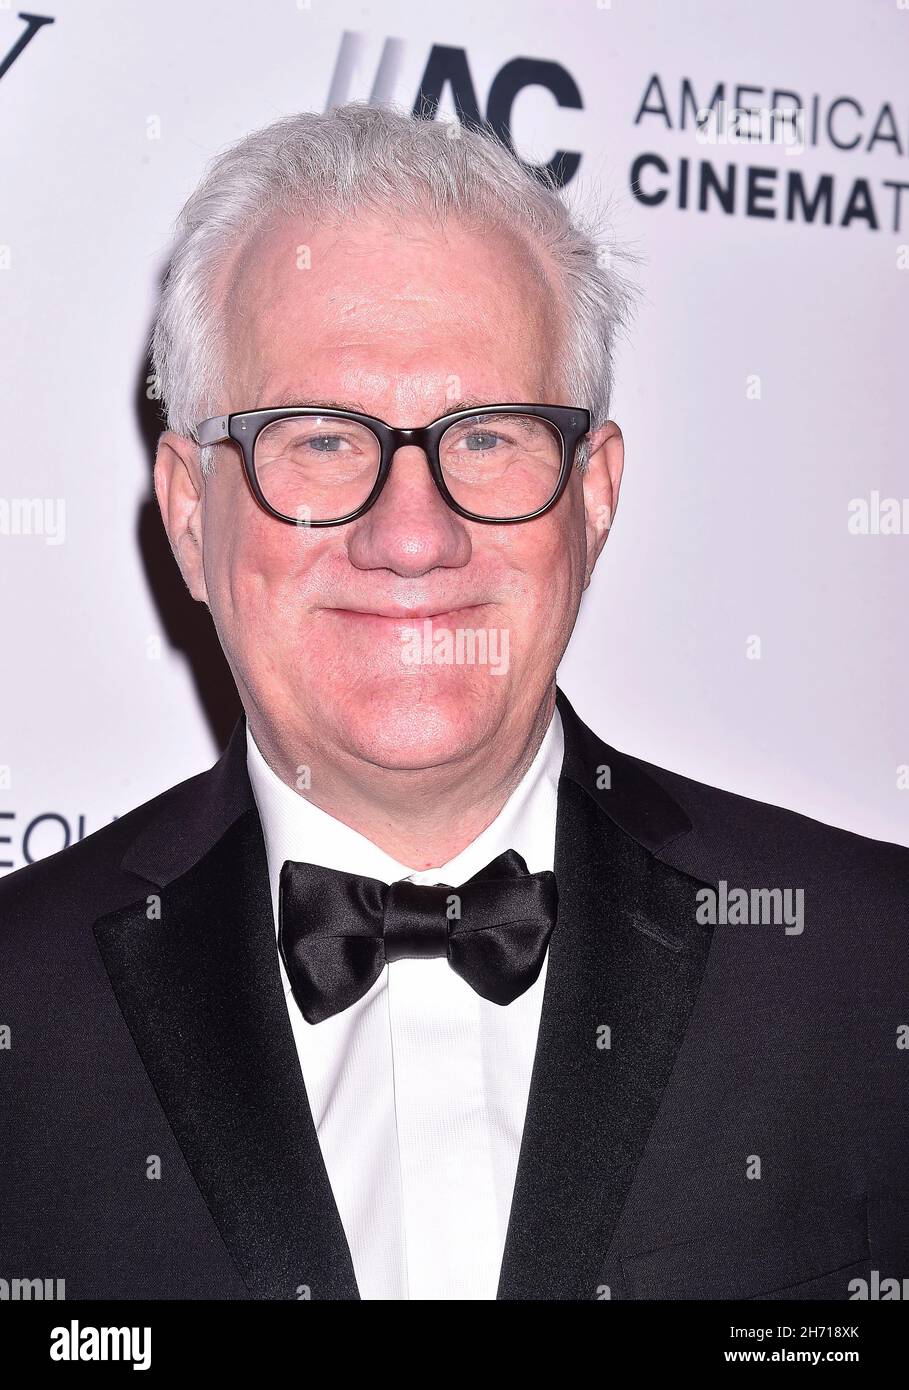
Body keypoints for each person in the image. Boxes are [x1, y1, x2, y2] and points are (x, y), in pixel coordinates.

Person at [1, 102, 906, 1302]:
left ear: (593, 500)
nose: (414, 536)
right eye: (319, 440)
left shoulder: (872, 969)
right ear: (186, 511)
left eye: (486, 437)